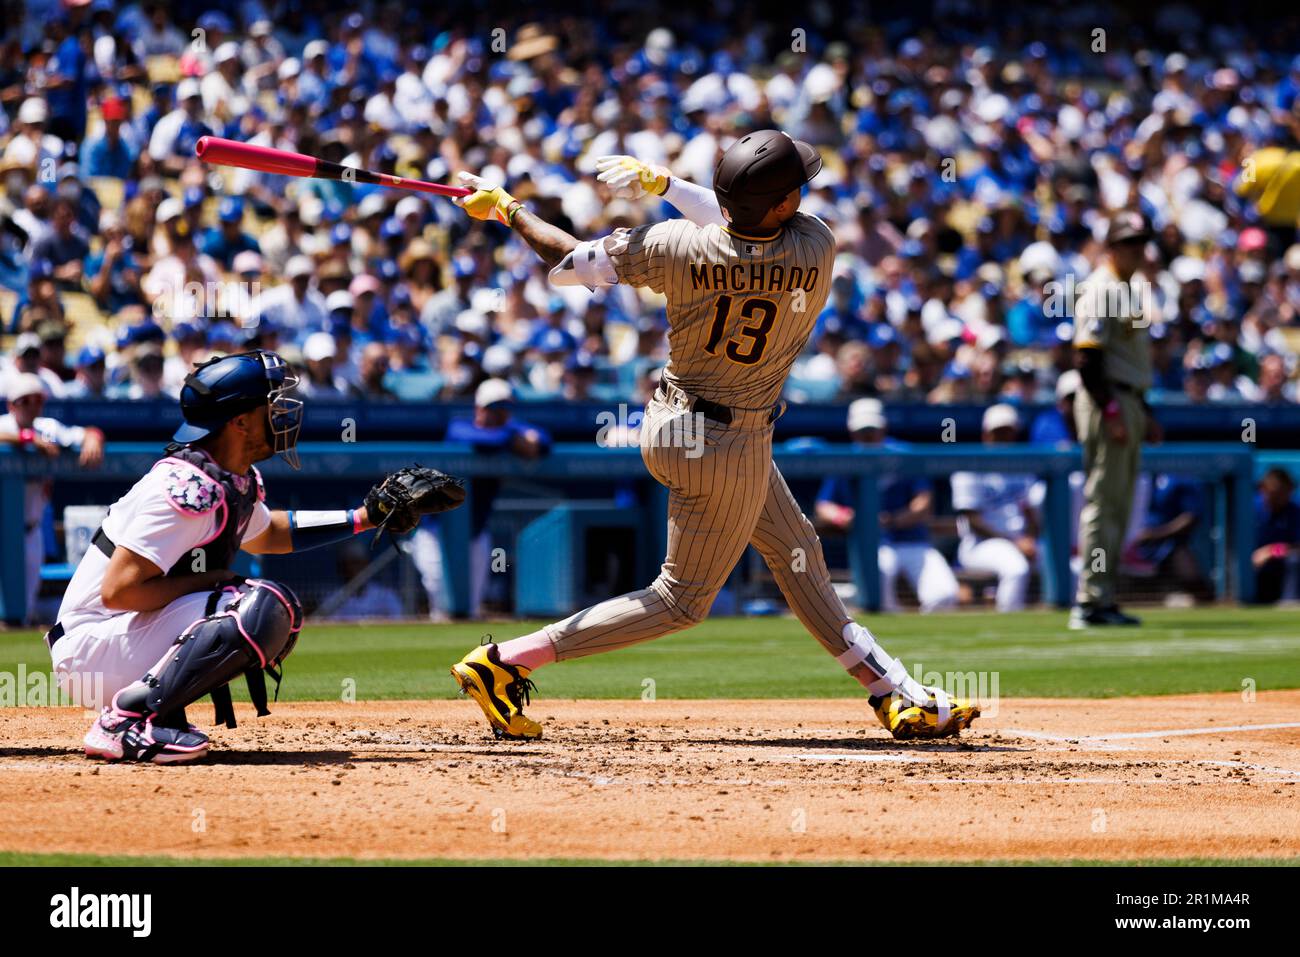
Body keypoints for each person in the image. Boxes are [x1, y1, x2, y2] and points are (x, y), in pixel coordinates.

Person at [447, 132, 980, 741]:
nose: (804, 193)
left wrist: (509, 209)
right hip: (730, 439)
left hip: (673, 423)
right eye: (793, 189)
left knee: (796, 549)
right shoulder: (816, 246)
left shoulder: (673, 246)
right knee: (680, 600)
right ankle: (505, 661)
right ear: (778, 205)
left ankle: (892, 691)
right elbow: (739, 220)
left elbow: (568, 265)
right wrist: (670, 185)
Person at [45, 350, 449, 764]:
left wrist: (366, 517)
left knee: (274, 607)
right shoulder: (185, 486)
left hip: (117, 639)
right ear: (239, 421)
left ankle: (151, 709)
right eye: (269, 403)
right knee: (258, 605)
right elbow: (119, 592)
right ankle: (126, 720)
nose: (281, 411)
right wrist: (211, 581)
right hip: (91, 647)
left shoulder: (225, 476)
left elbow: (268, 533)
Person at [1069, 211, 1161, 630]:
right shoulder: (1102, 288)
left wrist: (1146, 410)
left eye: (1141, 242)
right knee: (1103, 503)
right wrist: (1112, 411)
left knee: (1118, 505)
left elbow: (1129, 361)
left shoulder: (1128, 289)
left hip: (1129, 400)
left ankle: (1103, 597)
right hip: (1108, 401)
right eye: (1129, 242)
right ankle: (1089, 601)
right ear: (1112, 247)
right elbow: (1086, 359)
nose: (1138, 250)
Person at [814, 398, 958, 612]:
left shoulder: (903, 454)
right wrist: (851, 518)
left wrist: (892, 520)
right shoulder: (845, 459)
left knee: (944, 595)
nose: (869, 436)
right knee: (878, 595)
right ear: (852, 431)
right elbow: (824, 505)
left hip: (913, 542)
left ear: (883, 427)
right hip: (874, 546)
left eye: (873, 429)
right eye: (863, 431)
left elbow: (924, 502)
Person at [439, 378, 551, 616]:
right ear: (479, 408)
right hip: (439, 531)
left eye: (505, 409)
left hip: (476, 530)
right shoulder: (459, 427)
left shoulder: (508, 428)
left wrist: (523, 437)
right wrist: (514, 437)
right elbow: (487, 441)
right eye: (494, 409)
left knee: (470, 606)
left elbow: (544, 440)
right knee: (442, 602)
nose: (500, 415)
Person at [0, 374, 104, 624]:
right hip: (3, 533)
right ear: (11, 405)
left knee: (23, 613)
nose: (33, 406)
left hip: (30, 531)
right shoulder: (5, 425)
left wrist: (93, 438)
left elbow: (88, 432)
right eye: (25, 401)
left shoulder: (48, 427)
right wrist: (27, 439)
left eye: (37, 401)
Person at [950, 404, 1043, 612]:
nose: (1003, 438)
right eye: (998, 432)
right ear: (985, 435)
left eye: (1008, 432)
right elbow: (972, 521)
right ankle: (1008, 624)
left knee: (1068, 567)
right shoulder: (970, 467)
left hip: (1020, 542)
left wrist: (1029, 538)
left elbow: (1030, 513)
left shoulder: (1021, 467)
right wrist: (1016, 542)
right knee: (1016, 569)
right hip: (980, 545)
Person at [1130, 474, 1212, 605]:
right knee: (1099, 553)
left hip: (1165, 545)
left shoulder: (1179, 479)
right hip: (1122, 544)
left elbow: (1191, 516)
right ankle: (1096, 599)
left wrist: (1154, 535)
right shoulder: (1139, 478)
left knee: (1183, 561)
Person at [1252, 467, 1300, 604]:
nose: (1279, 497)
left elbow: (1297, 546)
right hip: (1251, 566)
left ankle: (1290, 603)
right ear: (1263, 489)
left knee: (1294, 560)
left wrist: (1272, 551)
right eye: (1274, 493)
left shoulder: (1295, 512)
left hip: (1280, 566)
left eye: (1284, 493)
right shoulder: (1250, 508)